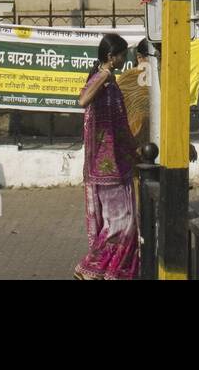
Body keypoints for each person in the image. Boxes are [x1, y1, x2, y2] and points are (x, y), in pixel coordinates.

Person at [74, 33, 139, 280]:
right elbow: (82, 100)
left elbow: (120, 123)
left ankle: (113, 270)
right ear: (112, 57)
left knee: (127, 221)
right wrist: (103, 75)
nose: (125, 59)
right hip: (103, 165)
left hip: (119, 161)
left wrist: (132, 151)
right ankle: (89, 266)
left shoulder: (113, 83)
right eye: (122, 55)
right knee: (120, 223)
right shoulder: (101, 79)